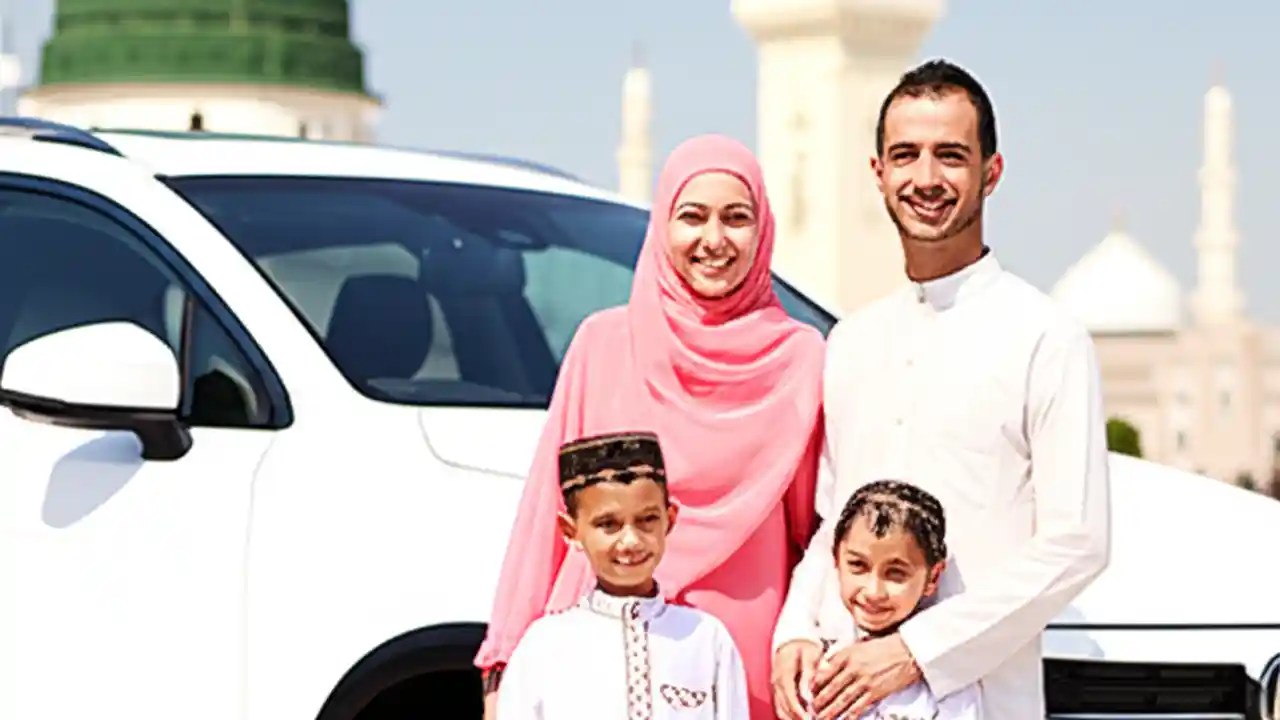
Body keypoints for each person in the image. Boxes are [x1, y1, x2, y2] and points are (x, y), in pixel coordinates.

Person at [770, 58, 1112, 720]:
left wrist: (915, 649)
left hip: (982, 701)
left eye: (950, 155)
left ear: (992, 171)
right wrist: (795, 631)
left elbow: (1077, 545)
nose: (926, 178)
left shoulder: (1046, 338)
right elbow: (829, 523)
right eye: (906, 155)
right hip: (841, 699)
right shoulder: (853, 342)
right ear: (878, 174)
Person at [476, 134, 827, 720]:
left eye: (736, 218)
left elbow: (813, 533)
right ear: (663, 224)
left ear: (762, 229)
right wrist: (504, 662)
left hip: (740, 658)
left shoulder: (799, 358)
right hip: (593, 646)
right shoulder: (605, 343)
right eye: (693, 216)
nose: (714, 240)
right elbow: (545, 512)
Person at [496, 431, 751, 719]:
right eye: (609, 524)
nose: (631, 541)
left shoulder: (705, 639)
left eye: (646, 520)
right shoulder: (544, 645)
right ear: (571, 531)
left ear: (670, 520)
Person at [805, 480, 981, 719]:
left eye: (896, 573)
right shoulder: (817, 665)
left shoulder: (947, 684)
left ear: (933, 576)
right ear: (836, 560)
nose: (874, 591)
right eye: (858, 566)